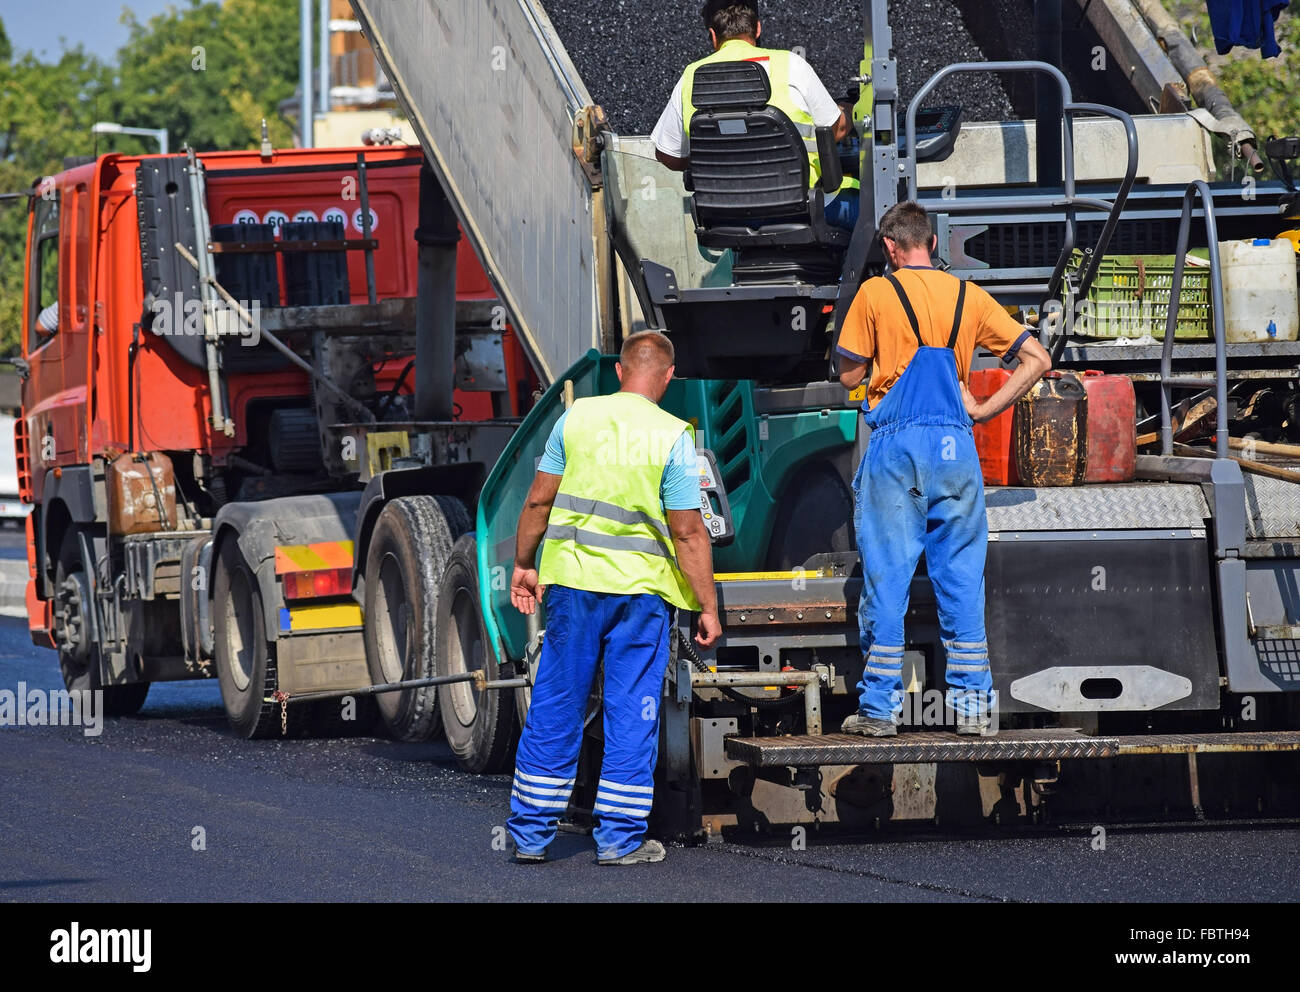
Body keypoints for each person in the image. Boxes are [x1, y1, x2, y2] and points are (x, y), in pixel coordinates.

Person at [836, 201, 1052, 737]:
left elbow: (848, 376)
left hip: (896, 447)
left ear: (890, 247)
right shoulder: (970, 296)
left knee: (888, 580)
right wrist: (981, 410)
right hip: (956, 451)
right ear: (931, 244)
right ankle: (975, 713)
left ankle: (880, 712)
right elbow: (1038, 360)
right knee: (960, 580)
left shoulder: (874, 293)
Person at [507, 331, 723, 866]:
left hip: (574, 590)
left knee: (558, 703)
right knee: (633, 711)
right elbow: (690, 532)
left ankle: (532, 836)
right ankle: (619, 841)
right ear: (668, 378)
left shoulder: (575, 419)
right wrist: (707, 605)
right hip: (641, 597)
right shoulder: (673, 435)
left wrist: (524, 564)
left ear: (621, 372)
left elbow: (539, 500)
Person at [650, 0, 859, 230]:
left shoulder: (691, 77)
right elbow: (836, 129)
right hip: (802, 209)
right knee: (878, 212)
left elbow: (667, 155)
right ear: (757, 28)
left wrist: (712, 154)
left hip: (725, 214)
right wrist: (848, 110)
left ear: (712, 35)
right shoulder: (790, 64)